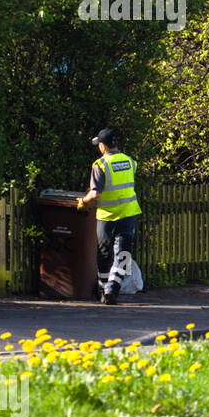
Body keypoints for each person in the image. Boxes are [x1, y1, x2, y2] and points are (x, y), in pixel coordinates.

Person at [76, 128, 142, 305]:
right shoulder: (130, 161)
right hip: (128, 213)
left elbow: (95, 193)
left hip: (107, 215)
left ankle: (105, 289)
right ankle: (114, 287)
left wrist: (83, 201)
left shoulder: (100, 165)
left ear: (103, 146)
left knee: (104, 254)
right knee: (124, 252)